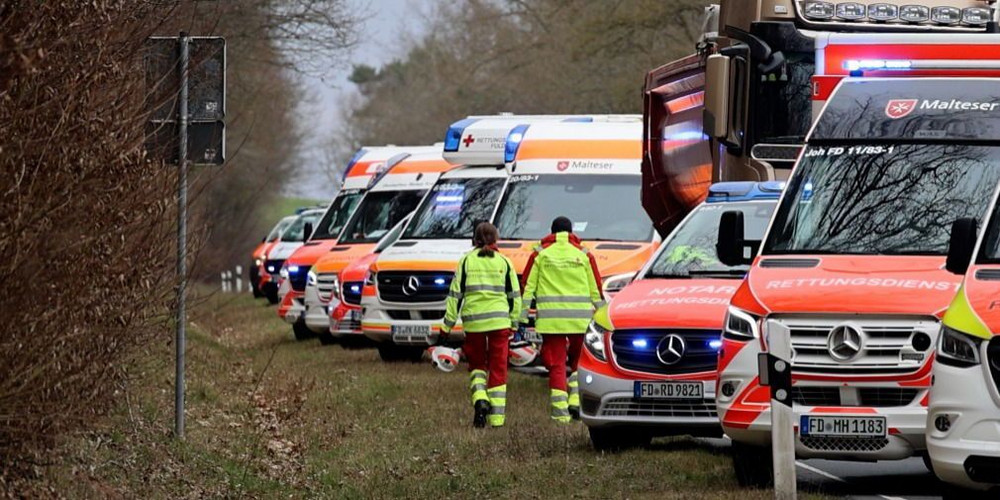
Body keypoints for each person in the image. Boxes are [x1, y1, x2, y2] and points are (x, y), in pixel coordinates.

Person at [521, 216, 604, 422]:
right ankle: (575, 402)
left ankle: (560, 415)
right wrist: (603, 316)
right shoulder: (584, 254)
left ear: (552, 232)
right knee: (578, 362)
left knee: (557, 365)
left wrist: (521, 318)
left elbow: (527, 286)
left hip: (551, 321)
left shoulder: (540, 254)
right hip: (580, 320)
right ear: (571, 232)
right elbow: (596, 288)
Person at [441, 222, 521, 428]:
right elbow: (514, 296)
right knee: (498, 367)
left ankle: (480, 399)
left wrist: (447, 326)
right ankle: (496, 419)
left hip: (474, 322)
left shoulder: (466, 261)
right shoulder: (504, 262)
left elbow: (455, 295)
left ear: (474, 240)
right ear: (496, 239)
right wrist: (514, 322)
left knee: (477, 365)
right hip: (499, 322)